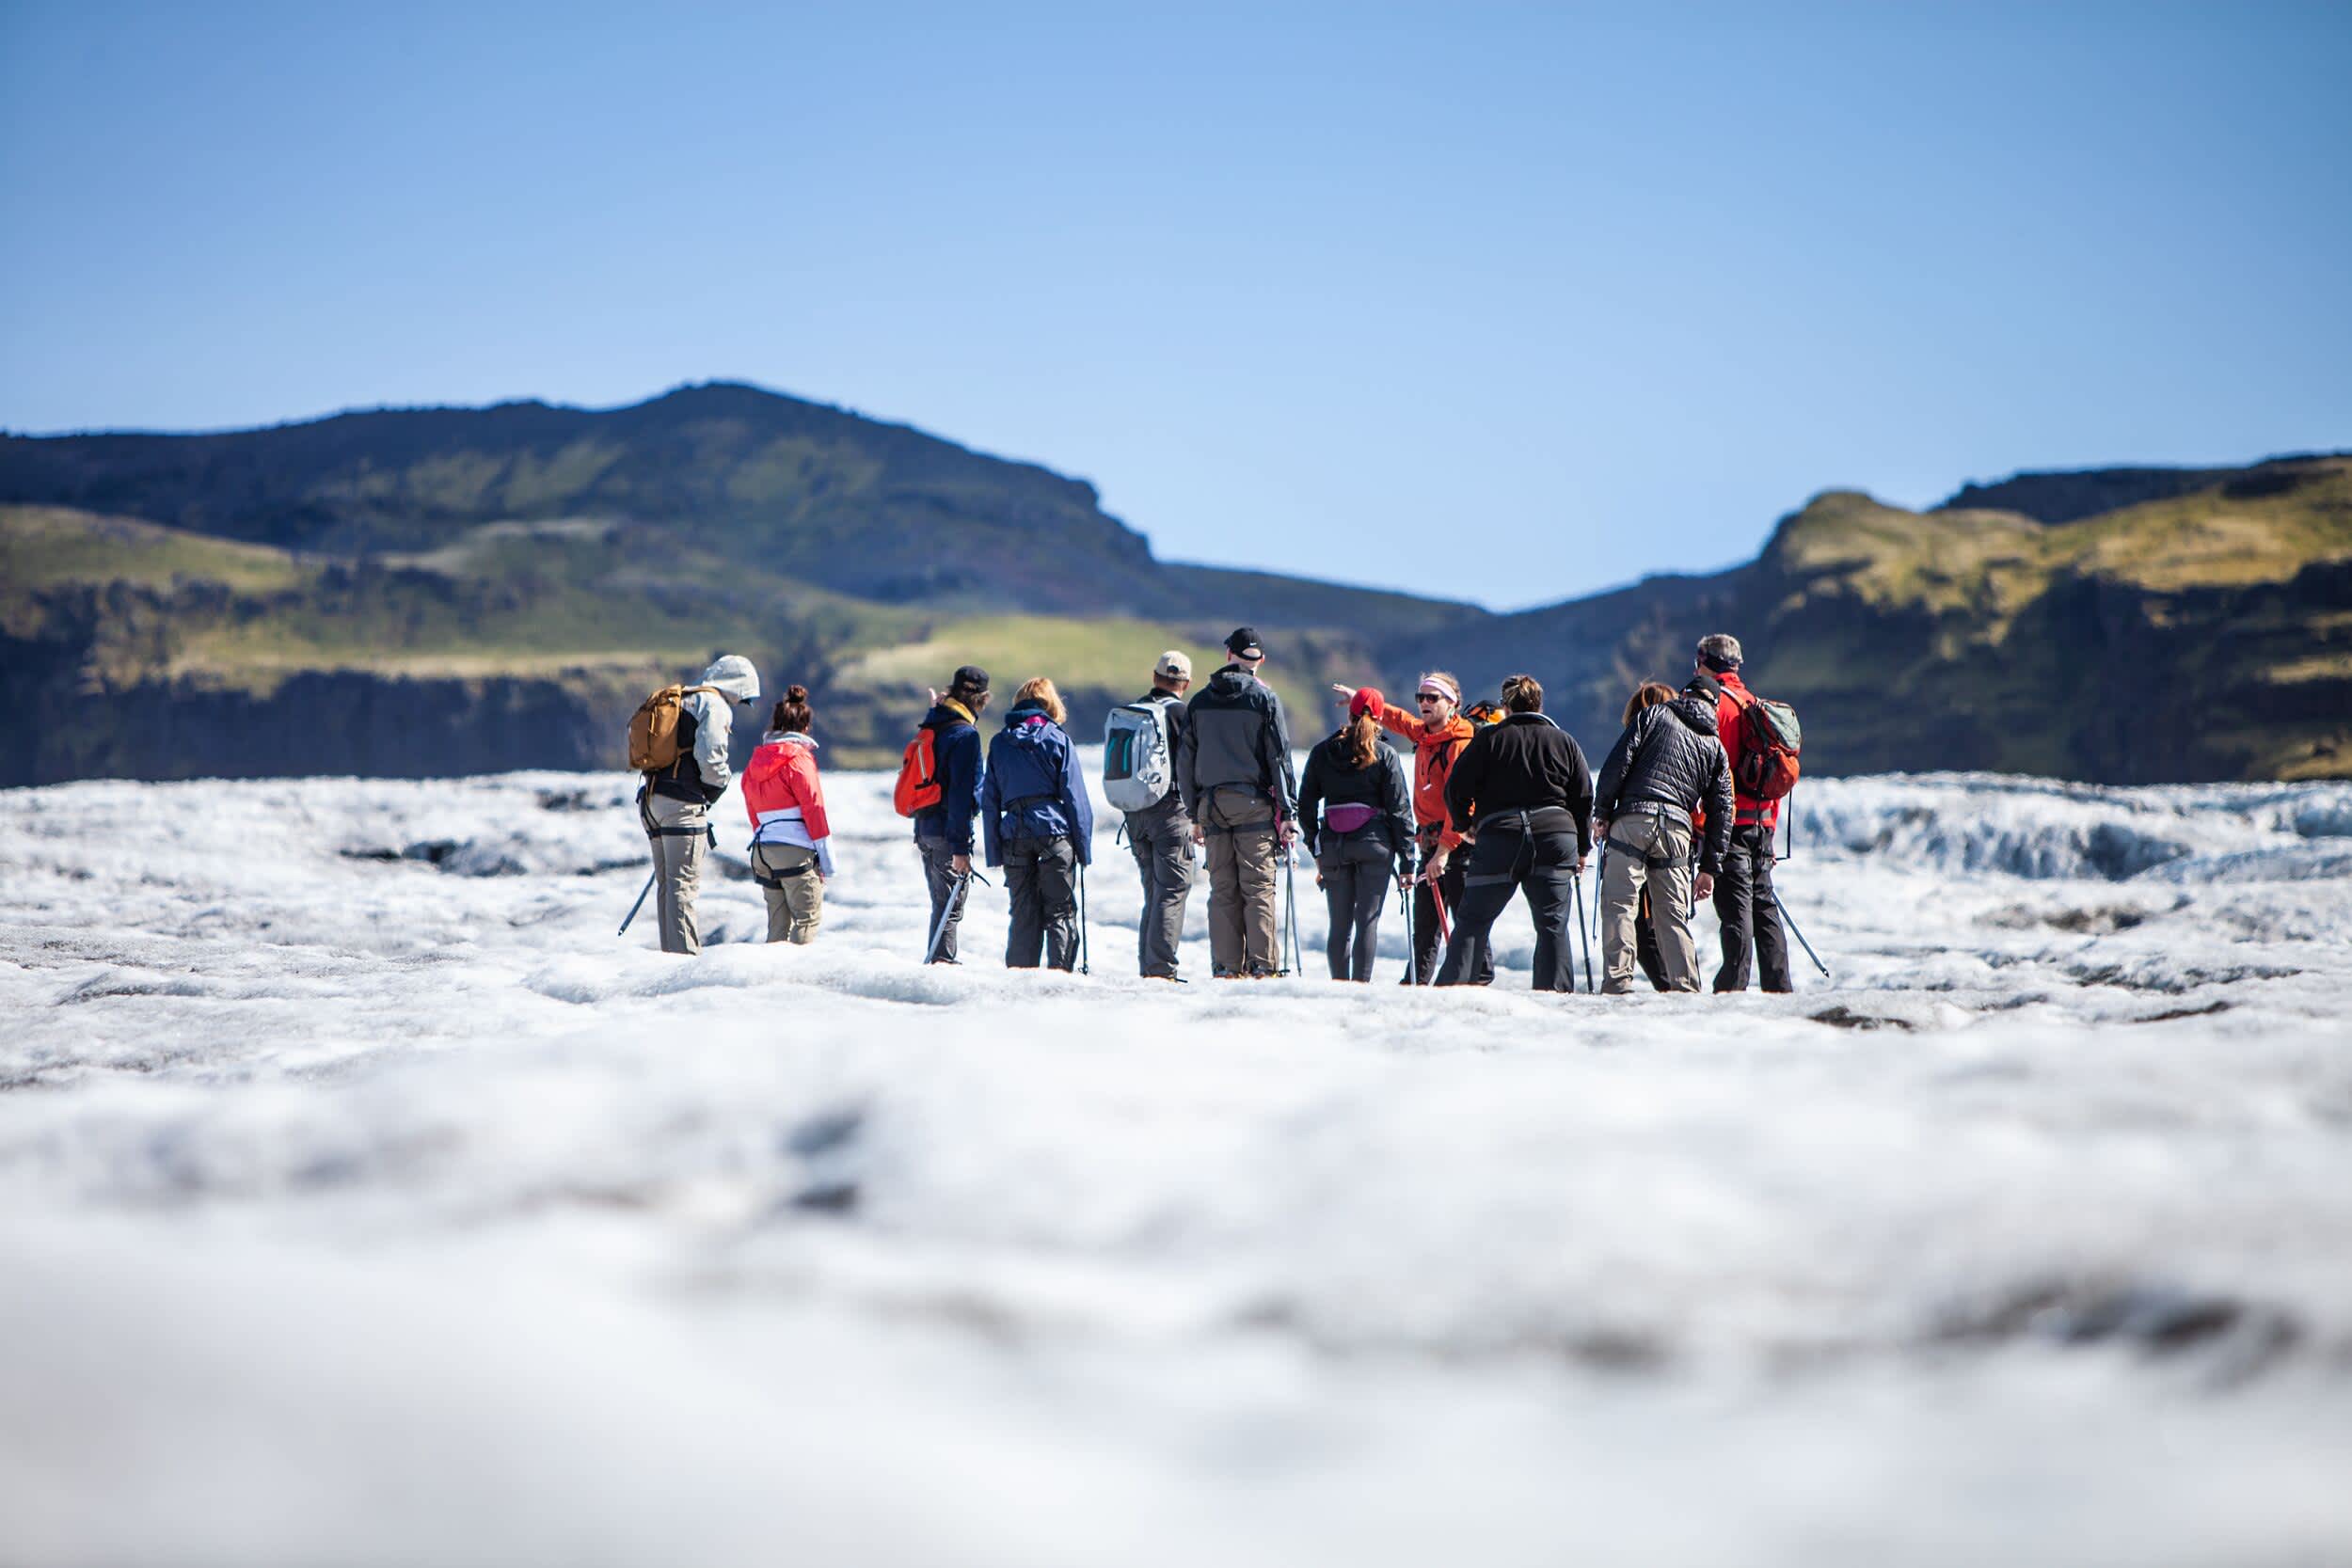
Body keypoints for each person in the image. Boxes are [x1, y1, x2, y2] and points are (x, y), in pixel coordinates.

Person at [1436, 673, 1594, 991]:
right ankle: (1555, 1000)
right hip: (1554, 836)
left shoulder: (1489, 738)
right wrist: (1581, 847)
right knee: (1552, 926)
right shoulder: (1564, 741)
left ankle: (1451, 994)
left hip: (1500, 836)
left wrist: (1464, 826)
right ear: (1539, 704)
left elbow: (1456, 788)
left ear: (1506, 707)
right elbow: (1584, 797)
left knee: (1474, 921)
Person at [1332, 671, 1484, 985]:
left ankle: (1479, 977)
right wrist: (1363, 701)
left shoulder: (1459, 742)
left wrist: (1443, 852)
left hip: (1454, 845)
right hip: (1430, 842)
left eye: (1432, 698)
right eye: (1421, 697)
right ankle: (1416, 983)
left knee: (1464, 917)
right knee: (1427, 921)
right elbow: (1399, 719)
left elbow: (1464, 804)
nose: (1424, 703)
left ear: (1452, 703)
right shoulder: (1426, 735)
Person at [1591, 680, 1734, 993]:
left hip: (1633, 820)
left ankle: (1617, 985)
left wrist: (1601, 811)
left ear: (1685, 695)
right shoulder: (1715, 747)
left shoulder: (1654, 715)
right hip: (1676, 830)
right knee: (1672, 916)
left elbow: (1618, 762)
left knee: (1620, 905)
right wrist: (1710, 867)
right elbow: (1724, 811)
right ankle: (1686, 990)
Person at [1178, 626, 1298, 978]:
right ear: (1259, 661)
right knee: (1258, 888)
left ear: (1228, 655)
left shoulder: (1200, 701)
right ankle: (1262, 967)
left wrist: (1193, 812)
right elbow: (1280, 758)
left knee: (1223, 890)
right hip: (1254, 806)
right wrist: (1288, 811)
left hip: (1212, 808)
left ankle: (1226, 968)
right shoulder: (1264, 700)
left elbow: (1185, 763)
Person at [1685, 634, 1792, 992]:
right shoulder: (1754, 705)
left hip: (1729, 826)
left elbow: (1708, 772)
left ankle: (1731, 992)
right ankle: (1780, 989)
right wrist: (1771, 827)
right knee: (1763, 908)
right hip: (1762, 824)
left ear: (1702, 662)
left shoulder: (1716, 706)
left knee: (1735, 913)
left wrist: (1699, 826)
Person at [636, 653, 761, 955]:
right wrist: (716, 787)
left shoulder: (680, 698)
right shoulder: (714, 704)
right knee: (683, 887)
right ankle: (683, 965)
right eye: (742, 699)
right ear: (737, 686)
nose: (738, 705)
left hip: (652, 799)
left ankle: (668, 956)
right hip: (682, 804)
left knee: (668, 885)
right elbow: (711, 755)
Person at [1297, 688, 1414, 980]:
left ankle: (1339, 988)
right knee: (1367, 922)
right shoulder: (1385, 754)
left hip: (1335, 845)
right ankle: (1360, 989)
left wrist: (1316, 847)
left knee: (1339, 925)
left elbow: (1306, 804)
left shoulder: (1323, 752)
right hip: (1375, 846)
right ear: (1380, 718)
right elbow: (1400, 810)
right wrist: (1408, 861)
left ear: (1349, 713)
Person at [980, 676, 1094, 971]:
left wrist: (994, 853)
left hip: (1014, 836)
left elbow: (989, 802)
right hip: (1054, 835)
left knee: (1023, 914)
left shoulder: (999, 743)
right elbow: (1075, 798)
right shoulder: (1058, 739)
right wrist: (1083, 850)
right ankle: (1060, 984)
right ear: (1050, 705)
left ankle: (1020, 984)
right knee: (1060, 911)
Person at [1111, 651, 1195, 980]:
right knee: (1172, 891)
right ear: (1185, 683)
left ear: (1154, 677)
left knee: (1153, 891)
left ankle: (1149, 969)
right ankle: (1161, 973)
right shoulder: (1182, 714)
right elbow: (1191, 765)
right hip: (1171, 811)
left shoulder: (1134, 711)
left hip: (1134, 812)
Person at [741, 684, 834, 945]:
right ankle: (795, 983)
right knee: (806, 920)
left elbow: (753, 813)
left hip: (763, 850)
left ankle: (770, 981)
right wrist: (826, 860)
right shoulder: (799, 760)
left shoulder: (754, 763)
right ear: (805, 728)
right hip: (795, 851)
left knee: (777, 924)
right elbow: (814, 808)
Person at [913, 665, 990, 964]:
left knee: (940, 902)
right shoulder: (965, 735)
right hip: (946, 831)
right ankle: (941, 965)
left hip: (924, 827)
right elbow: (961, 795)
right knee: (949, 906)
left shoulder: (934, 724)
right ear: (982, 698)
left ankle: (938, 961)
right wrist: (961, 848)